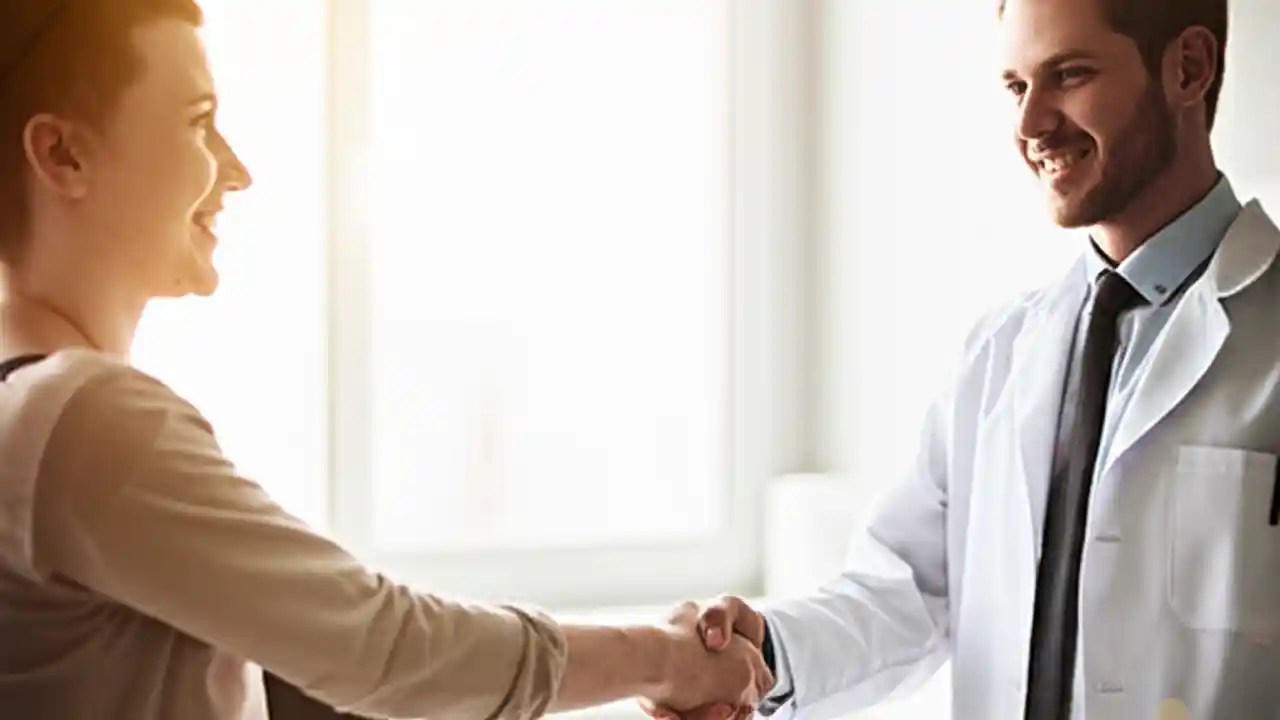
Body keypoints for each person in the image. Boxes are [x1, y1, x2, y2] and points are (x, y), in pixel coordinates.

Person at [0, 2, 773, 719]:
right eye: (199, 124)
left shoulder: (33, 414)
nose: (235, 171)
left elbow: (317, 665)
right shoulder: (80, 421)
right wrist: (667, 662)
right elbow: (382, 646)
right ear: (61, 153)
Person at [649, 0, 1280, 718]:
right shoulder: (1002, 351)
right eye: (1016, 87)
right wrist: (760, 653)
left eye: (1069, 75)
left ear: (1188, 69)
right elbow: (909, 594)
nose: (1030, 124)